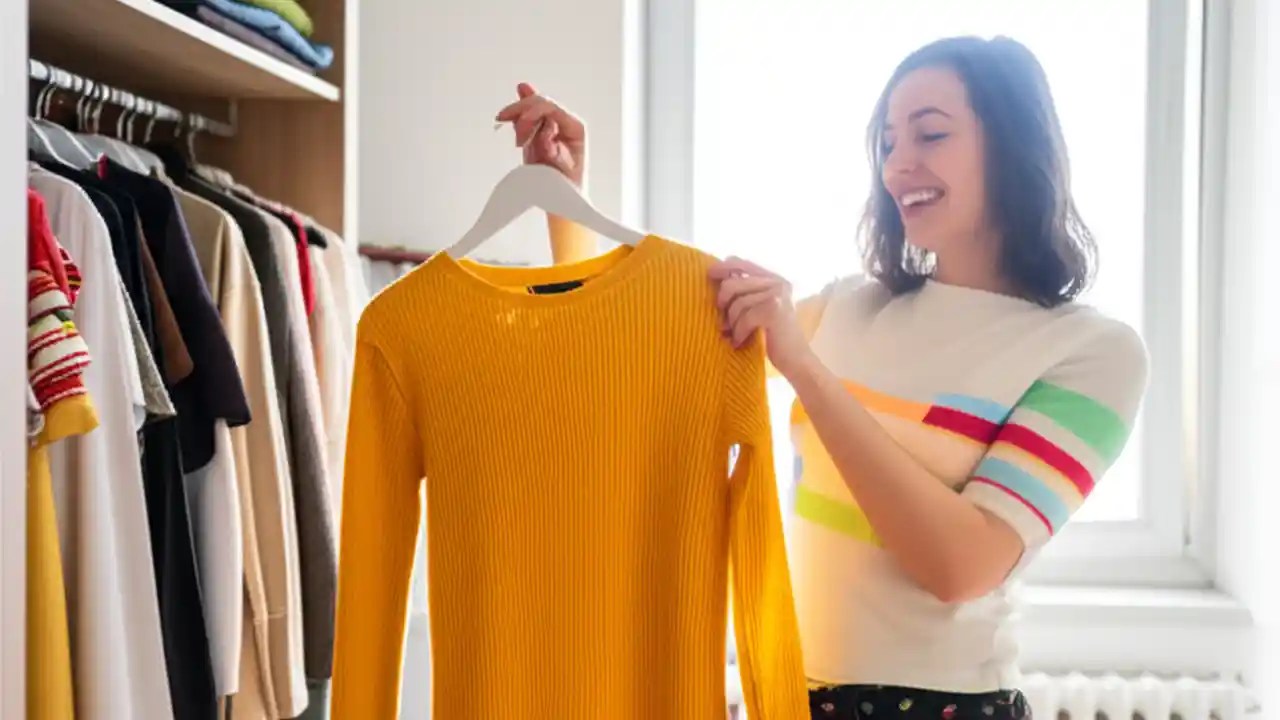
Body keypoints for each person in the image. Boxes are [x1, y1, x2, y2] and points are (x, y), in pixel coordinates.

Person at [496, 34, 1148, 720]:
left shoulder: (1091, 352)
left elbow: (961, 568)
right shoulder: (847, 307)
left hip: (943, 707)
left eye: (930, 134)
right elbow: (633, 356)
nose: (899, 166)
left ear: (1015, 150)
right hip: (783, 697)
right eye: (888, 143)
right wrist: (567, 205)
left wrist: (805, 369)